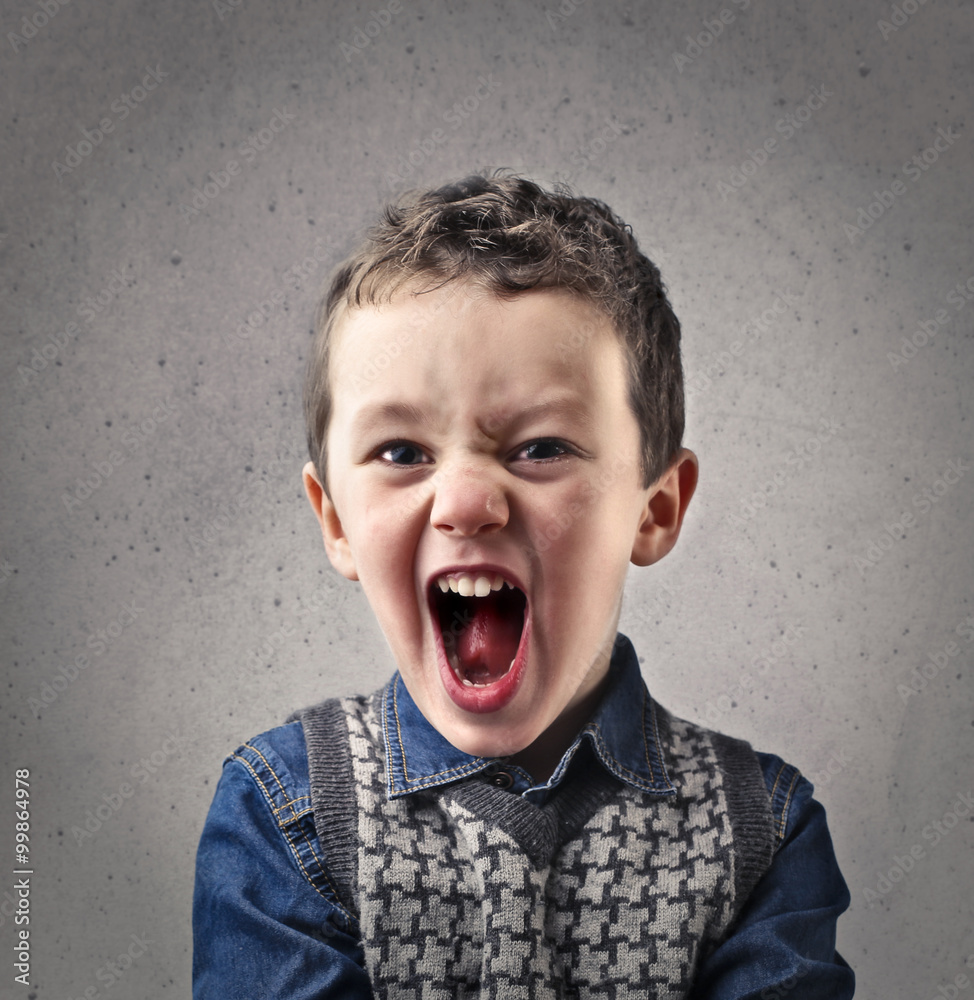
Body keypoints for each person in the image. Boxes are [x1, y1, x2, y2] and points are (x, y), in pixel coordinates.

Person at [193, 173, 855, 998]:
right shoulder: (288, 817)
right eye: (402, 452)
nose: (467, 504)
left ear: (654, 510)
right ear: (335, 521)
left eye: (541, 447)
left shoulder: (764, 832)